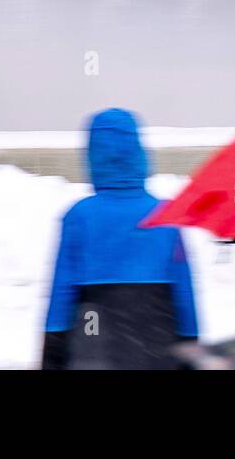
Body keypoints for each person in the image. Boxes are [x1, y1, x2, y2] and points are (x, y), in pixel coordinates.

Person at [42, 108, 198, 369]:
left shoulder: (78, 217)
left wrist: (52, 353)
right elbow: (184, 290)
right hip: (157, 341)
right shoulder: (166, 217)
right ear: (139, 153)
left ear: (92, 157)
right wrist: (192, 343)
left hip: (94, 345)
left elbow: (61, 291)